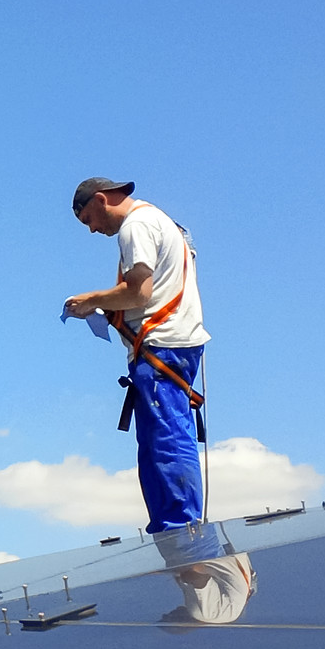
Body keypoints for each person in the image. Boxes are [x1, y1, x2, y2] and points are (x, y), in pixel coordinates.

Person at [64, 178, 210, 533]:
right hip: (169, 345)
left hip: (162, 346)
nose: (94, 230)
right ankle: (170, 525)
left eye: (89, 220)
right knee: (155, 443)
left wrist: (92, 300)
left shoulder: (137, 226)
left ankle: (181, 527)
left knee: (166, 440)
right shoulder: (159, 221)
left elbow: (139, 292)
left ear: (101, 200)